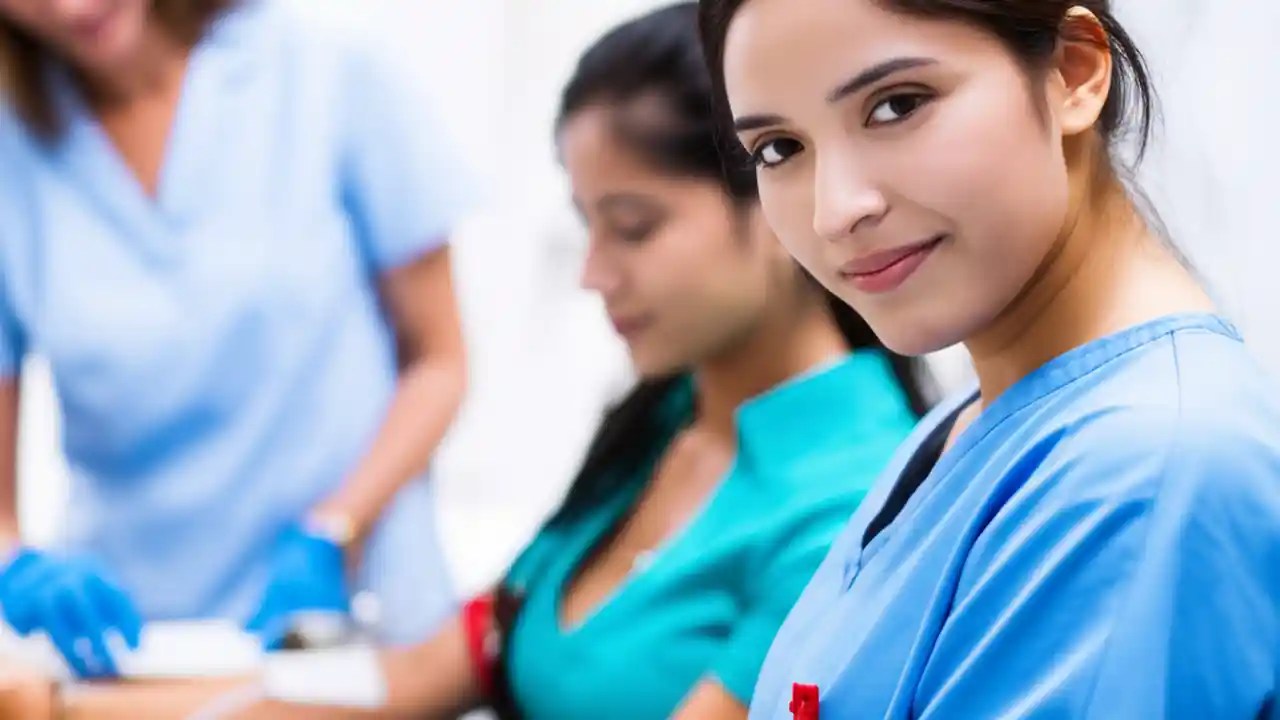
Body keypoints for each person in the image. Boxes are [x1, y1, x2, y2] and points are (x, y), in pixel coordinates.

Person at [9, 4, 929, 718]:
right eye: (587, 224)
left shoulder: (845, 509)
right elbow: (420, 676)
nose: (592, 274)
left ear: (771, 192)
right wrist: (55, 702)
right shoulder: (662, 429)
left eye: (634, 227)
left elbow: (436, 361)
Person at [699, 0, 1280, 717]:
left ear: (1074, 69)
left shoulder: (1148, 468)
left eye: (896, 105)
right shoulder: (978, 425)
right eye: (779, 150)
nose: (834, 210)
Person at [0, 0, 472, 678]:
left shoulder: (325, 72)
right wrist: (15, 567)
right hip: (139, 639)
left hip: (358, 607)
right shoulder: (11, 145)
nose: (71, 6)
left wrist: (336, 528)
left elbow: (439, 361)